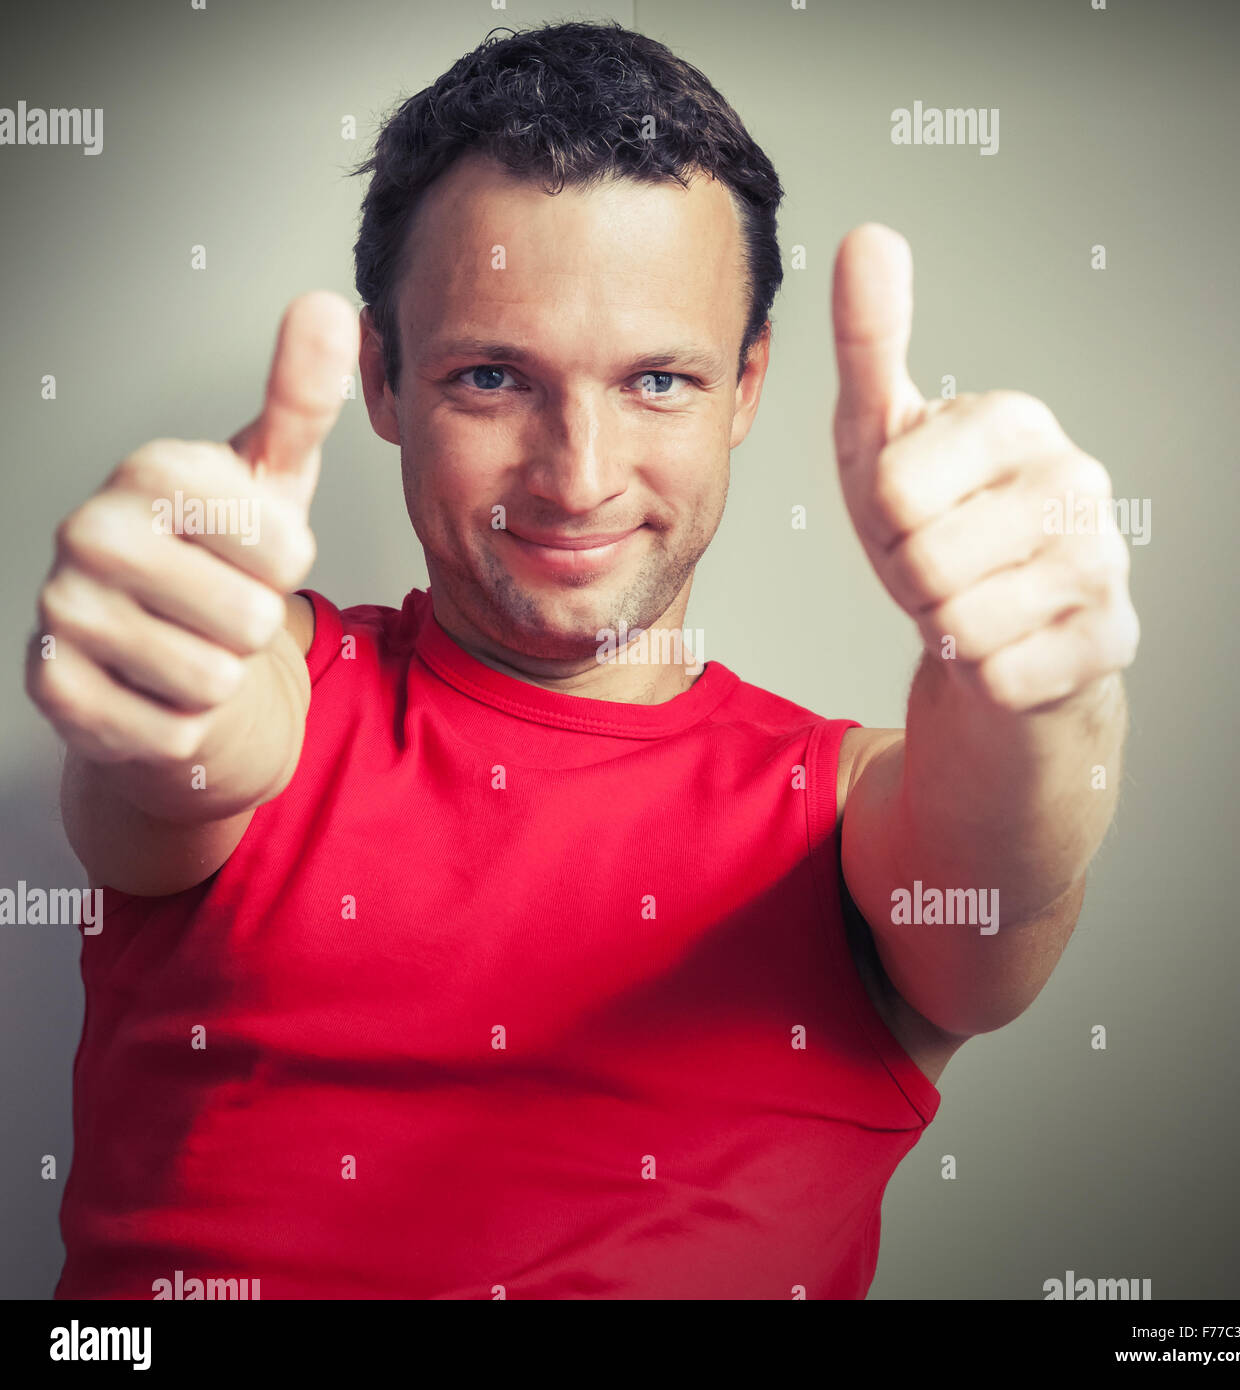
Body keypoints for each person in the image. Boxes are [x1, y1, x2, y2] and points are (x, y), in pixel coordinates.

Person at [26, 20, 1137, 1300]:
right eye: (493, 377)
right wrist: (149, 655)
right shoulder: (267, 671)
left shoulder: (854, 817)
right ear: (381, 383)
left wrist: (1047, 697)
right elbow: (183, 746)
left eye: (658, 381)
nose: (580, 478)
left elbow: (998, 857)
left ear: (746, 387)